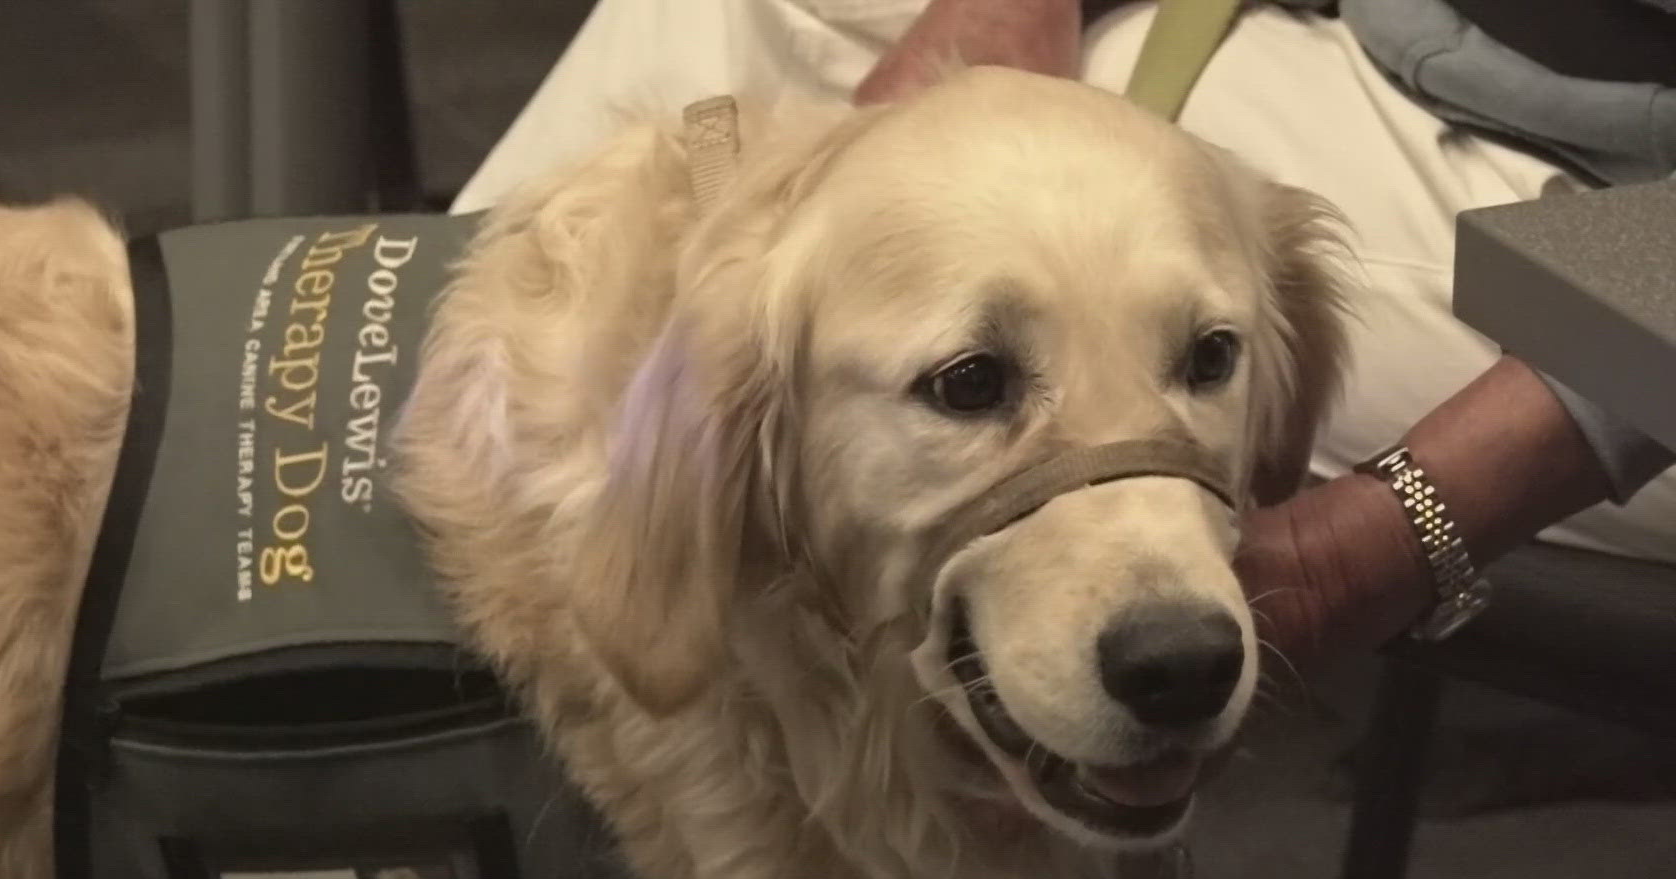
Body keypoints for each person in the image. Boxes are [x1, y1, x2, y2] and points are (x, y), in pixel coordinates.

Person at [448, 0, 1676, 670]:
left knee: (1135, 270)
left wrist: (1399, 528)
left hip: (1629, 217)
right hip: (1390, 30)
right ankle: (418, 669)